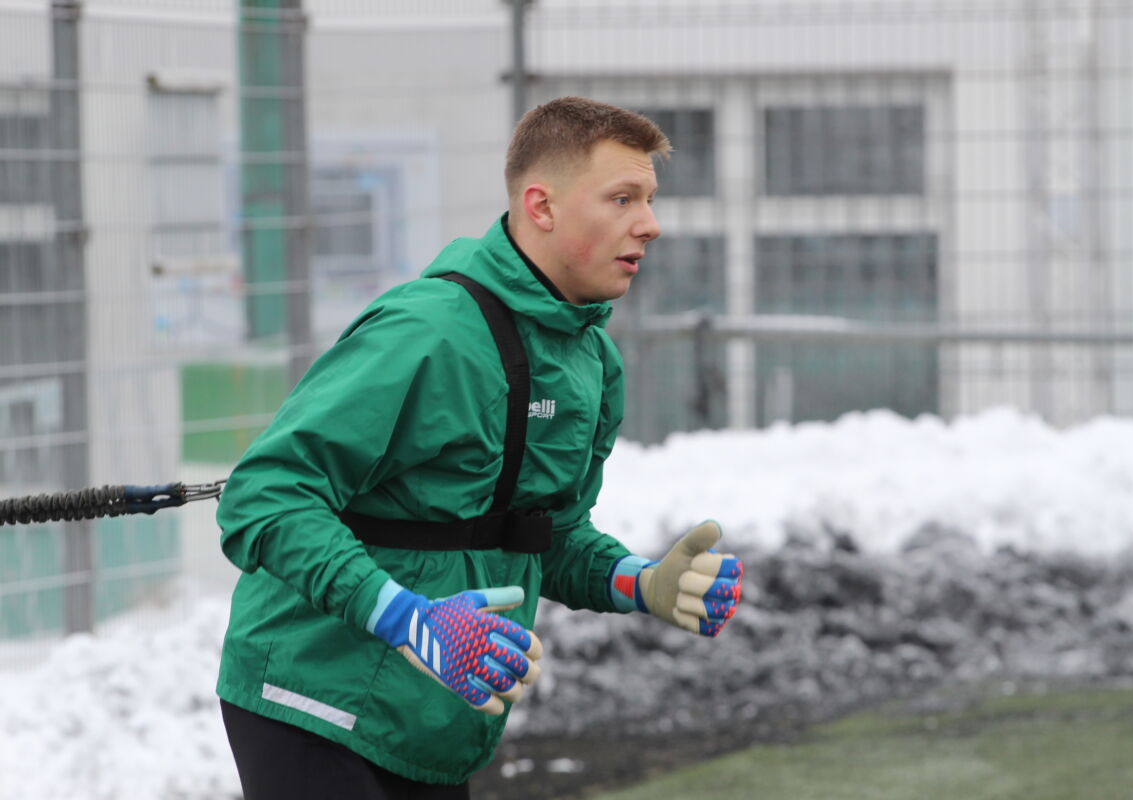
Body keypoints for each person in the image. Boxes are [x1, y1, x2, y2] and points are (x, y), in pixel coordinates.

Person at [214, 96, 744, 800]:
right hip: (309, 693)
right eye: (622, 198)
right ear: (541, 206)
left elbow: (536, 534)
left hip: (433, 718)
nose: (649, 224)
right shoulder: (429, 330)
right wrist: (404, 616)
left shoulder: (592, 362)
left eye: (647, 199)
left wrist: (638, 582)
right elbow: (265, 495)